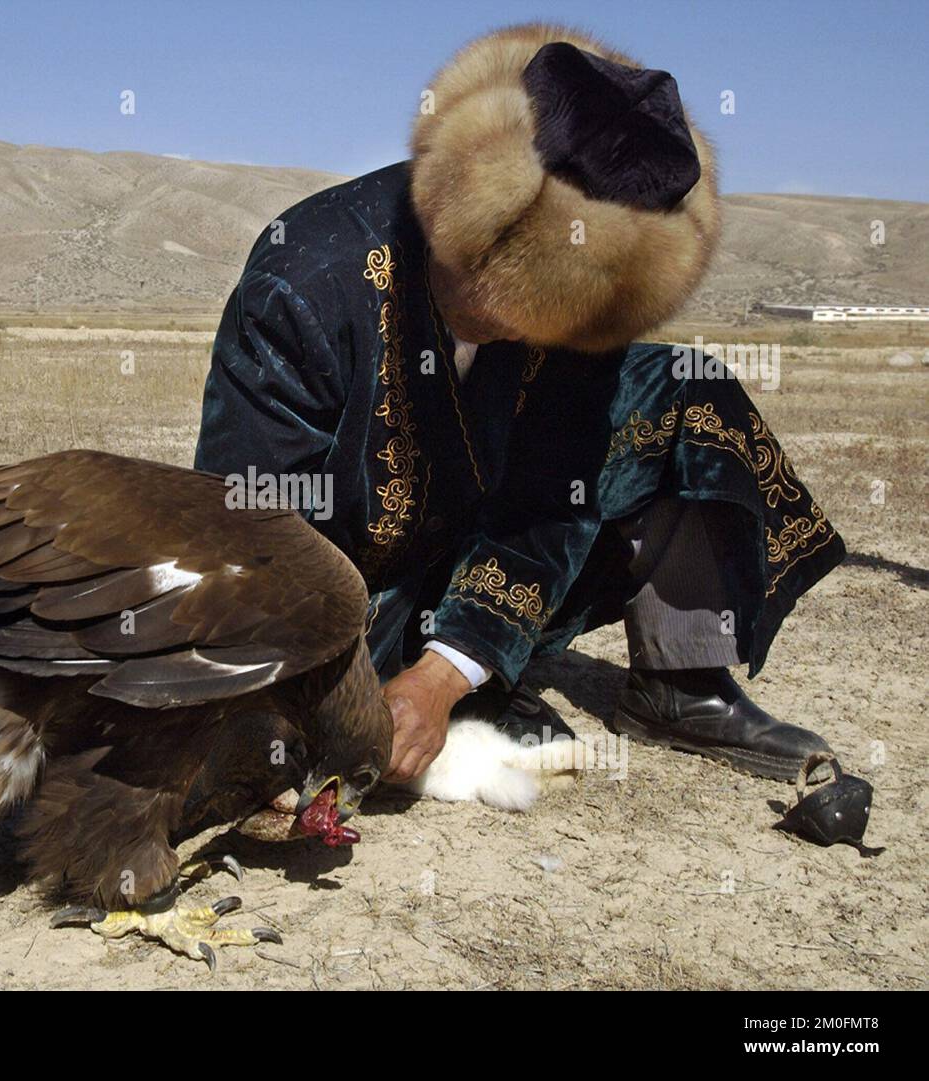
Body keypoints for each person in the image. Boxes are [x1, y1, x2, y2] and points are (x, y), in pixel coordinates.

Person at [194, 23, 845, 785]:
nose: (506, 327)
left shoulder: (585, 309)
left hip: (484, 551)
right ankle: (450, 681)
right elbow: (249, 535)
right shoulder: (304, 283)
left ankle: (680, 684)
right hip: (345, 605)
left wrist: (444, 674)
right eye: (485, 291)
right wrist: (355, 695)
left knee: (685, 386)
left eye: (537, 316)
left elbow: (560, 494)